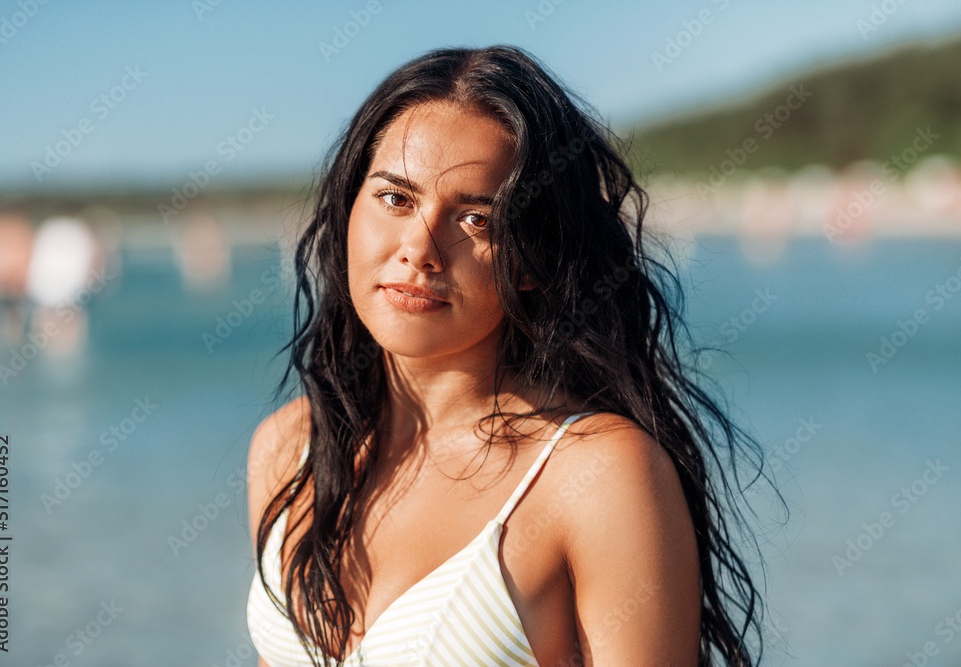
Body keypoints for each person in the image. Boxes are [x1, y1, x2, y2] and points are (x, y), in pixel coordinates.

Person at [246, 45, 772, 666]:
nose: (420, 249)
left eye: (476, 219)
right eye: (395, 198)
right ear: (348, 208)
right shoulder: (290, 450)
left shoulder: (596, 475)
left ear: (531, 259)